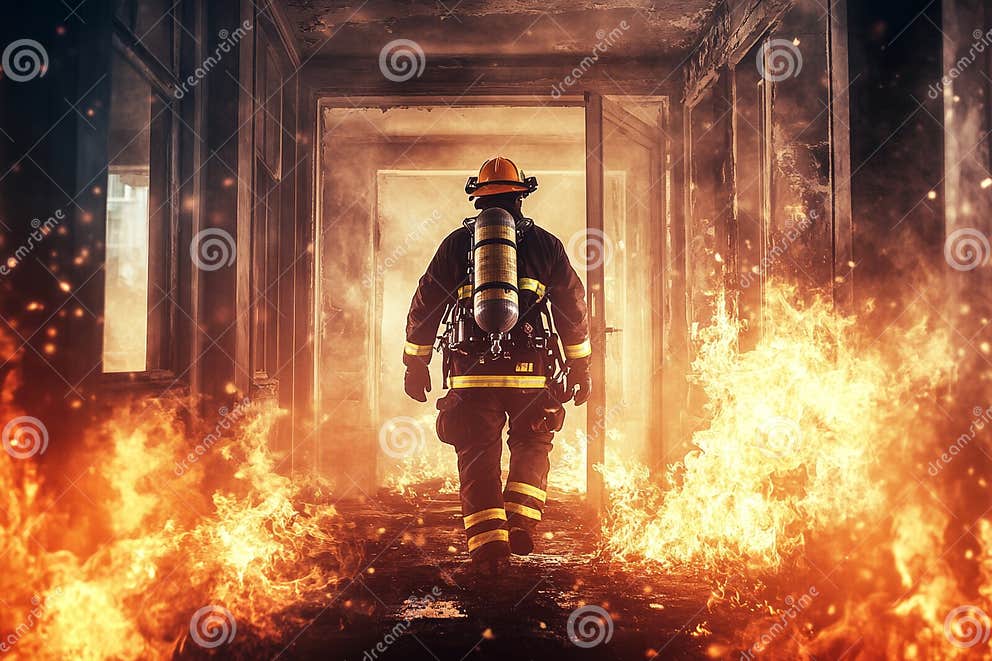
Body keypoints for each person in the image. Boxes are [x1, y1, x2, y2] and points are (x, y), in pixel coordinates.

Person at [402, 156, 592, 578]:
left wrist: (416, 363)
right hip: (532, 372)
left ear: (478, 199)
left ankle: (490, 549)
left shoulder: (456, 245)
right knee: (532, 444)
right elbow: (572, 311)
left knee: (477, 456)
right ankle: (521, 521)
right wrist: (580, 367)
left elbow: (426, 303)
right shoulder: (545, 244)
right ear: (522, 195)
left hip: (471, 374)